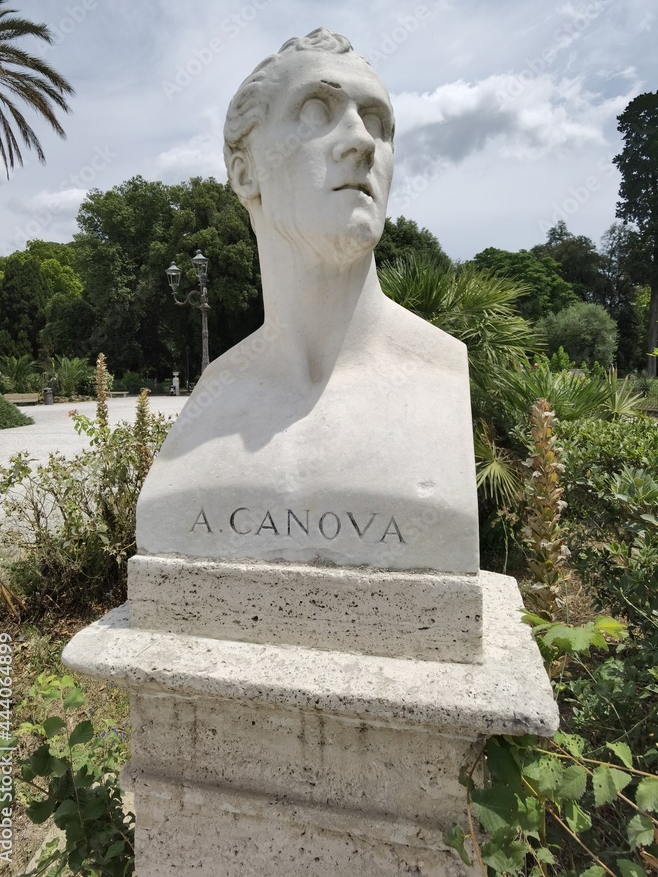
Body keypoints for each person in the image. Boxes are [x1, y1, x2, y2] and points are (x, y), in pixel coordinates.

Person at [136, 29, 479, 574]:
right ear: (245, 170)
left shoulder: (440, 372)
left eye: (378, 123)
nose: (362, 142)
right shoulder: (218, 394)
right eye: (317, 110)